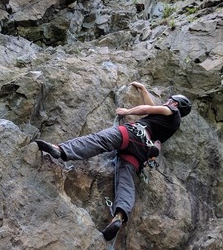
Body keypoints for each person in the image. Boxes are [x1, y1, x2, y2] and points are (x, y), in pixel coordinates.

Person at [35, 82, 191, 241]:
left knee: (98, 141)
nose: (166, 102)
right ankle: (120, 215)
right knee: (125, 180)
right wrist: (143, 89)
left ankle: (61, 150)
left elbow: (147, 109)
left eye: (169, 100)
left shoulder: (172, 110)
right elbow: (152, 107)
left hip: (133, 134)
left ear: (175, 103)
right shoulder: (170, 123)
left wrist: (127, 111)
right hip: (141, 152)